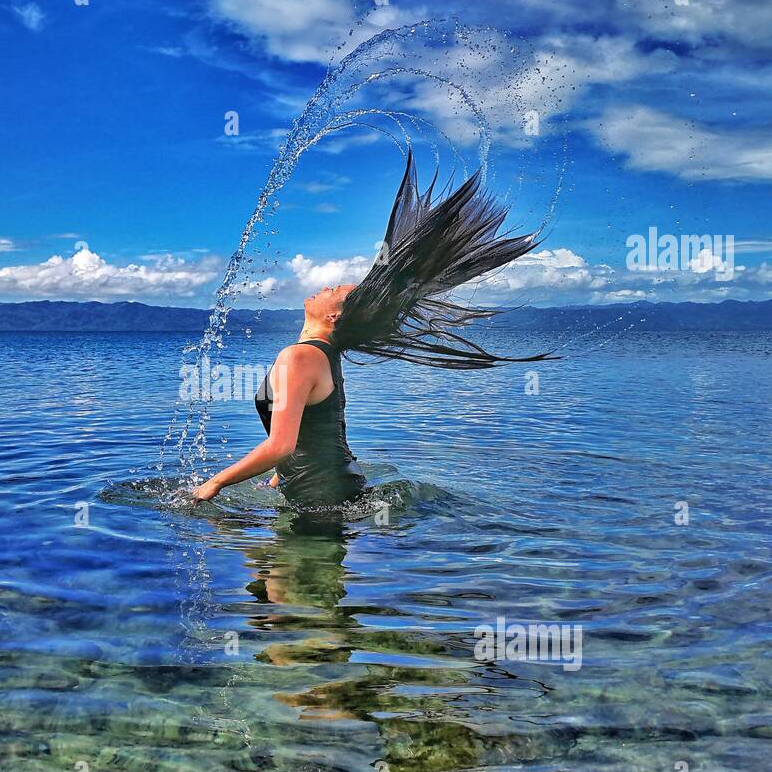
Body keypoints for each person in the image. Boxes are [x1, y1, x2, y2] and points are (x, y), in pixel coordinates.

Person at [192, 151, 550, 508]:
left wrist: (214, 483)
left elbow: (281, 445)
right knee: (271, 566)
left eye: (336, 292)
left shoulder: (301, 356)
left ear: (334, 317)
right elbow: (314, 431)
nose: (328, 287)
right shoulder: (321, 356)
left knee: (264, 564)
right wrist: (279, 476)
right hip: (330, 490)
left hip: (322, 500)